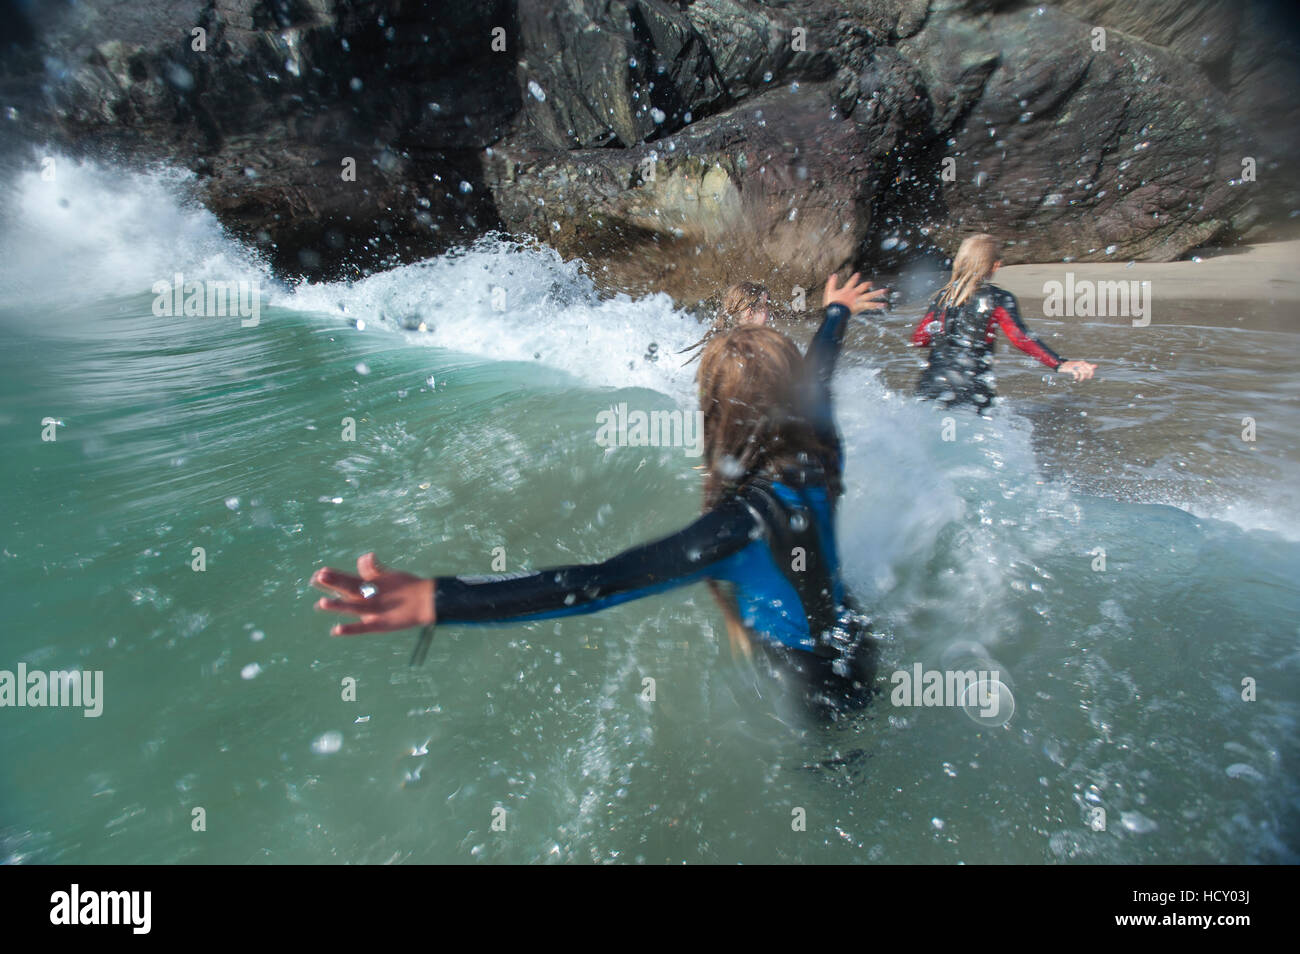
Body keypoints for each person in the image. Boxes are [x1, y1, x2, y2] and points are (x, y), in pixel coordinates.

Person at [311, 274, 885, 719]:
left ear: (715, 412)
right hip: (858, 639)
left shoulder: (736, 528)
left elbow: (595, 583)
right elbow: (820, 376)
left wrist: (441, 598)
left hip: (810, 678)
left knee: (831, 773)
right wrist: (835, 313)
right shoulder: (819, 452)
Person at [911, 234, 1096, 412]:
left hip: (931, 384)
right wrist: (1060, 364)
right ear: (995, 266)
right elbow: (1020, 337)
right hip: (971, 389)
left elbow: (920, 338)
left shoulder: (944, 297)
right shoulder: (998, 298)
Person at [677, 281, 771, 364]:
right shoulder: (743, 351)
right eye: (766, 305)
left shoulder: (720, 342)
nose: (769, 312)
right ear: (750, 313)